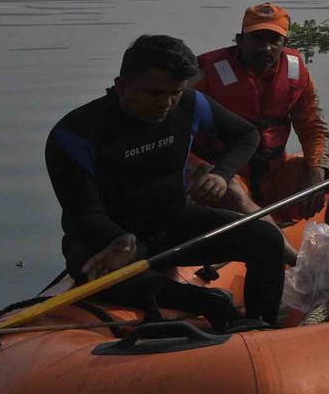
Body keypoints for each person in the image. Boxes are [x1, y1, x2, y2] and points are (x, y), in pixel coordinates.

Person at [45, 33, 290, 328]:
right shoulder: (75, 133)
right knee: (100, 271)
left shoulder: (190, 104)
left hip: (172, 224)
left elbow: (246, 135)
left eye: (175, 93)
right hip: (108, 241)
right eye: (154, 93)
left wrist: (221, 174)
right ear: (121, 85)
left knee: (267, 239)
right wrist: (119, 239)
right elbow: (85, 214)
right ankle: (210, 303)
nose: (166, 103)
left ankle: (262, 326)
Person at [191, 2, 329, 227]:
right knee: (232, 190)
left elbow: (314, 127)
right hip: (226, 172)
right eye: (257, 39)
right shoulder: (205, 73)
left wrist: (316, 170)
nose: (266, 47)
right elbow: (175, 128)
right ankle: (274, 239)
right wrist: (200, 168)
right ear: (240, 40)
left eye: (274, 40)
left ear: (285, 43)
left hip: (275, 173)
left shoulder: (296, 71)